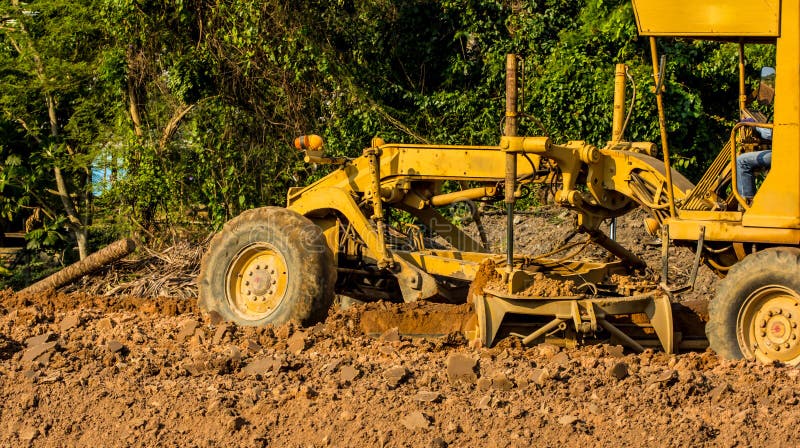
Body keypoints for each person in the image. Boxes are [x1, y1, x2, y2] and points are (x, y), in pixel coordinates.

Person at [736, 66, 775, 203]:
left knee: (741, 161)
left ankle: (748, 203)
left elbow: (772, 134)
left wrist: (755, 125)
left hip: (784, 155)